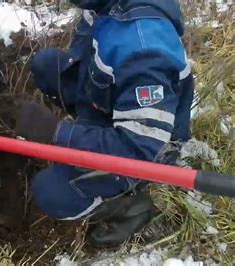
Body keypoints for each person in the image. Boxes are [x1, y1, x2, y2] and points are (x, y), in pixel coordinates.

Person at [15, 0, 194, 247]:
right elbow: (90, 56)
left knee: (52, 192)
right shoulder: (102, 5)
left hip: (145, 150)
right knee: (47, 65)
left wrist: (59, 133)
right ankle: (89, 136)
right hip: (107, 100)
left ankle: (128, 206)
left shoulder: (144, 50)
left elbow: (138, 150)